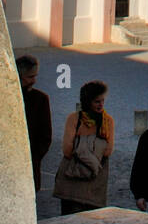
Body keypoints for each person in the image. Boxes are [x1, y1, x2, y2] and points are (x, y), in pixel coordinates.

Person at [53, 80, 114, 215]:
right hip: (76, 181)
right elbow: (66, 150)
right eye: (97, 101)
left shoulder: (107, 121)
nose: (101, 105)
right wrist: (94, 148)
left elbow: (108, 151)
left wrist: (81, 145)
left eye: (102, 101)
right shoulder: (75, 119)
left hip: (93, 182)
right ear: (87, 101)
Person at [16, 54, 52, 192]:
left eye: (35, 76)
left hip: (30, 166)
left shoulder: (41, 99)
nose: (34, 80)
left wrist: (33, 159)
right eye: (30, 77)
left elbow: (45, 137)